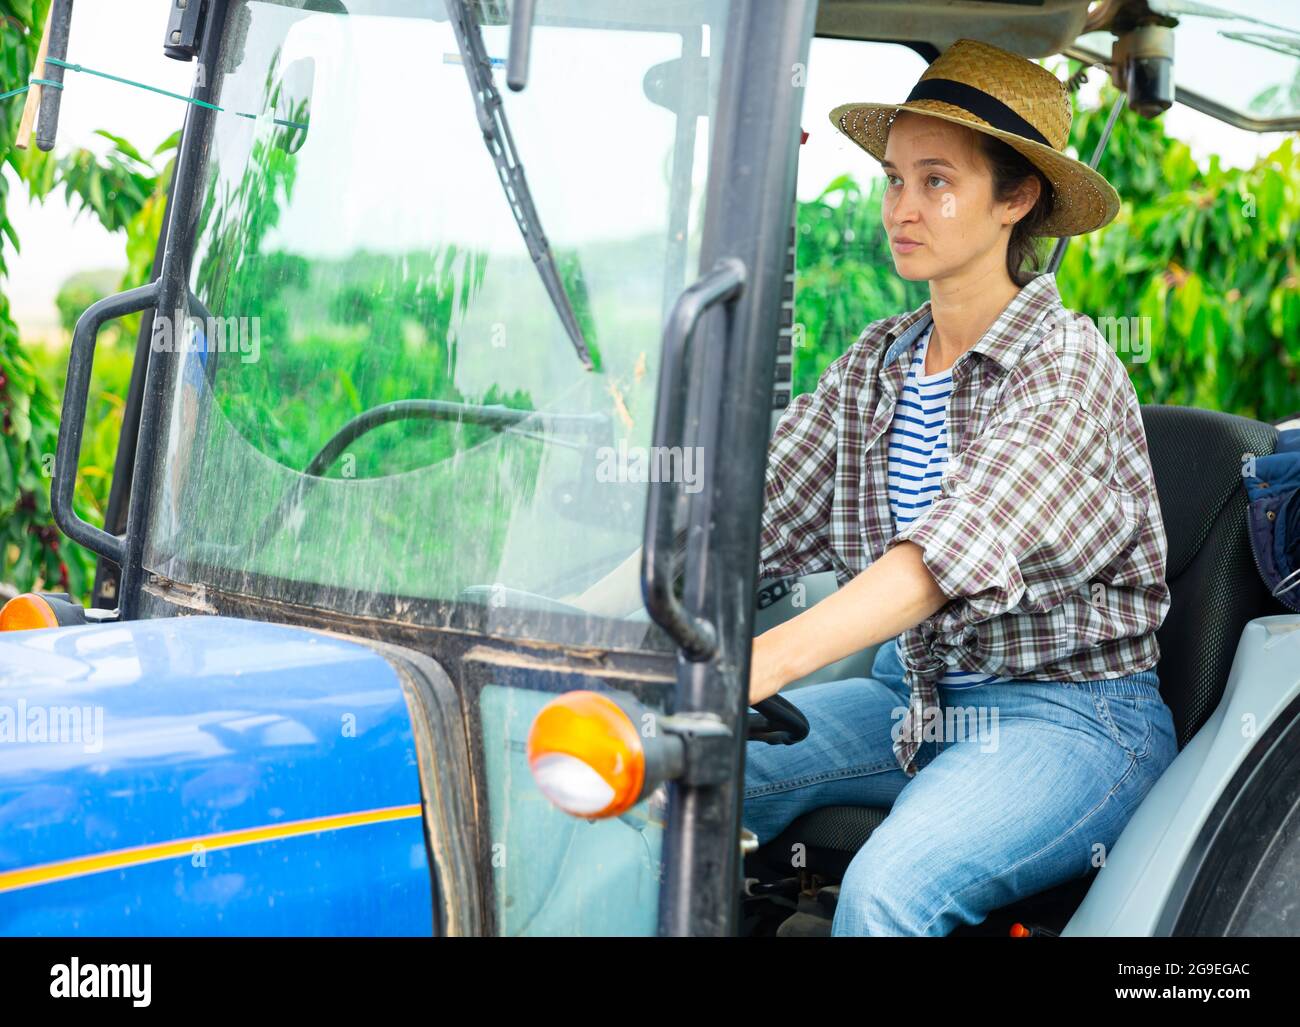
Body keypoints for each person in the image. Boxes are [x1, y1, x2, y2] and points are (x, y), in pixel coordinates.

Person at [566, 36, 1177, 937]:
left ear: (1017, 199)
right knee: (654, 782)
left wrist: (753, 667)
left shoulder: (1069, 365)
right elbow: (734, 517)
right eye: (895, 179)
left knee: (889, 890)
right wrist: (570, 626)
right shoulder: (876, 365)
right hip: (911, 697)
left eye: (938, 181)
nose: (902, 207)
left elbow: (937, 563)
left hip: (1069, 715)